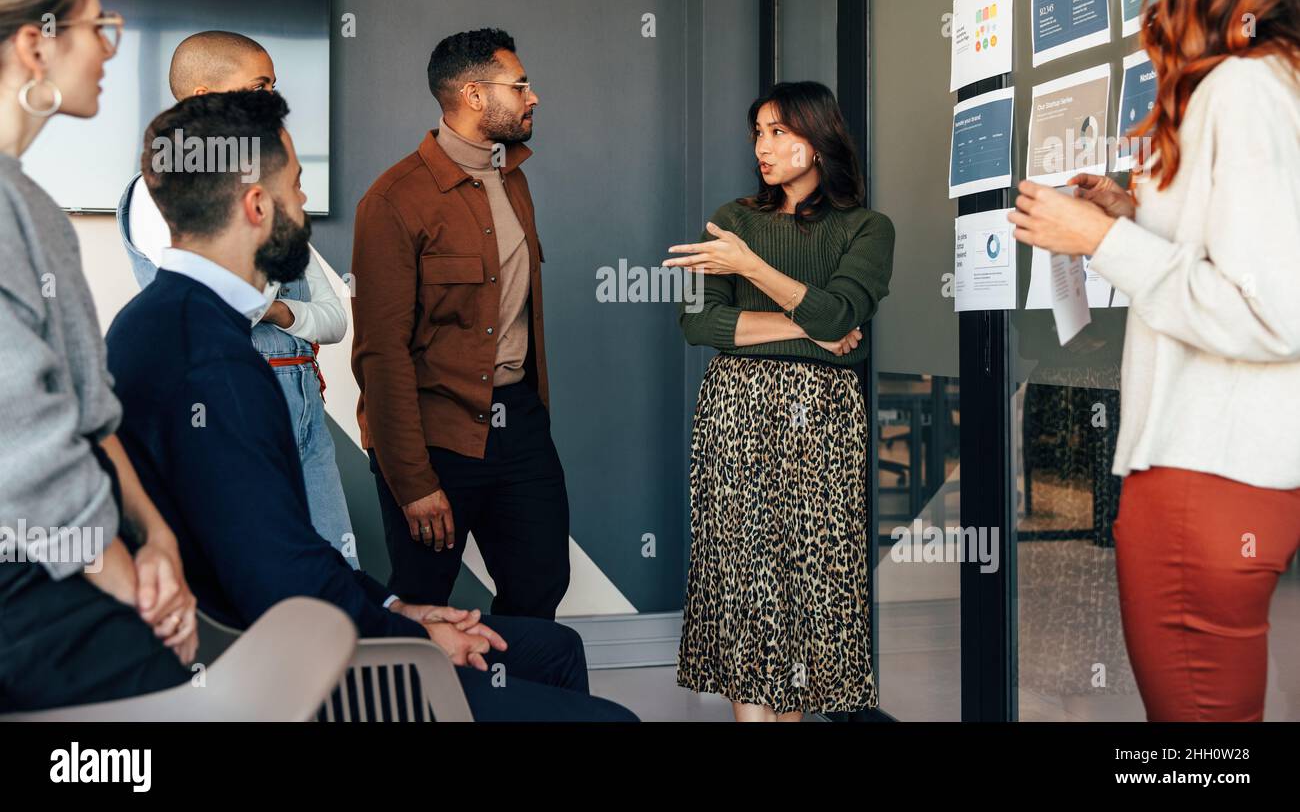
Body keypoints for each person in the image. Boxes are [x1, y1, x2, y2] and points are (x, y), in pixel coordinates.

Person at [106, 88, 634, 721]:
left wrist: (396, 608)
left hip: (284, 630)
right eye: (296, 188)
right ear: (256, 206)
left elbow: (283, 549)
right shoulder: (218, 365)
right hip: (283, 672)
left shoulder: (149, 322)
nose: (303, 206)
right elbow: (280, 583)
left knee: (553, 648)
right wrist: (417, 637)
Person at [1009, 0, 1300, 721]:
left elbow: (1271, 309)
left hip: (1200, 483)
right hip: (1231, 481)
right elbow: (1238, 254)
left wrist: (1103, 240)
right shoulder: (1265, 83)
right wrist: (1130, 216)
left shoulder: (1243, 92)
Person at [0, 0, 196, 710]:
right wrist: (123, 577)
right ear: (35, 47)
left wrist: (156, 540)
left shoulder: (32, 205)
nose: (111, 47)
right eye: (97, 27)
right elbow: (18, 442)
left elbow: (92, 412)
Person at [666, 81, 896, 721]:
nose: (763, 147)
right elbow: (700, 325)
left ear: (819, 139)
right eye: (758, 134)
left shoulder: (868, 229)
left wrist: (750, 272)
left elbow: (844, 310)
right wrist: (809, 328)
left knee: (813, 579)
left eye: (779, 132)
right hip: (735, 413)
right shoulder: (732, 221)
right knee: (746, 577)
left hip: (824, 421)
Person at [115, 31, 358, 567]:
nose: (273, 101)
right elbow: (213, 302)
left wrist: (274, 309)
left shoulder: (269, 193)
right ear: (204, 95)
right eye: (260, 87)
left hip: (303, 404)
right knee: (259, 563)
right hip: (233, 396)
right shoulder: (166, 196)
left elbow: (334, 319)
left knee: (336, 560)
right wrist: (282, 308)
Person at [351, 28, 571, 618]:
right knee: (424, 600)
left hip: (519, 423)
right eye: (519, 84)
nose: (533, 97)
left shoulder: (515, 180)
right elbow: (380, 353)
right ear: (475, 95)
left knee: (540, 587)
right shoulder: (393, 200)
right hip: (433, 433)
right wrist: (413, 480)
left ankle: (520, 704)